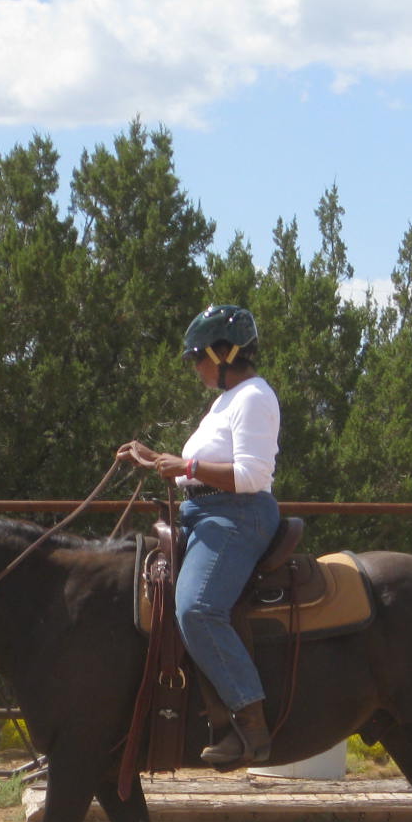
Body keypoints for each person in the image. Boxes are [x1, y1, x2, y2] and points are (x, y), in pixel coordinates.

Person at [116, 304, 281, 768]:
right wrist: (155, 460)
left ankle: (249, 723)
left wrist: (184, 466)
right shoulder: (225, 401)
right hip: (204, 511)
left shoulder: (254, 397)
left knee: (198, 608)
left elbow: (250, 475)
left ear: (225, 353)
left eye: (199, 358)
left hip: (236, 515)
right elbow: (200, 470)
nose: (196, 367)